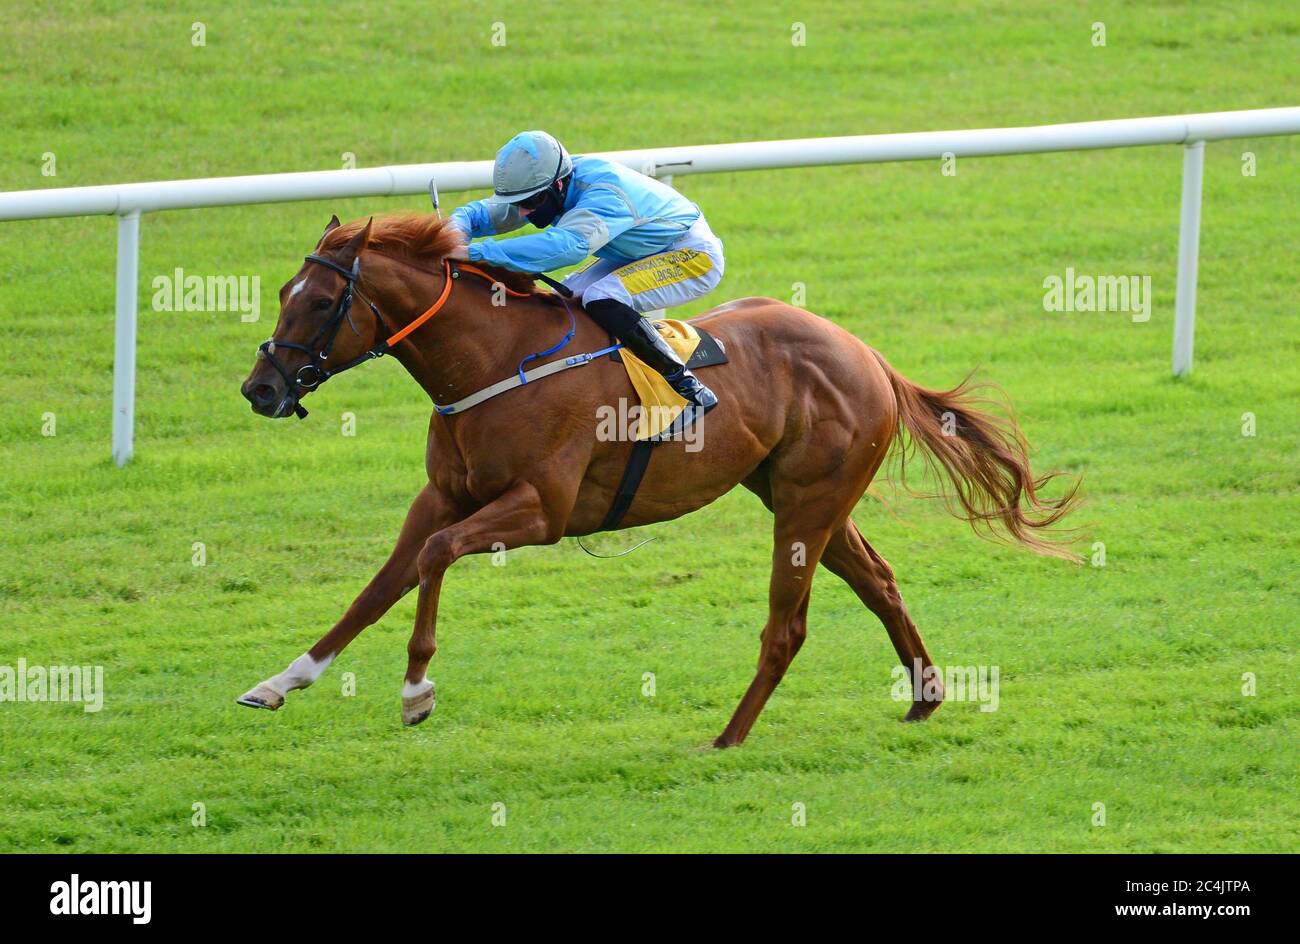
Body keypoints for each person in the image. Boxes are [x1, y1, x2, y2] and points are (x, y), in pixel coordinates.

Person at [448, 130, 723, 410]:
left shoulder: (605, 194)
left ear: (557, 185)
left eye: (529, 203)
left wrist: (475, 252)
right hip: (642, 249)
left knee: (601, 297)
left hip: (692, 255)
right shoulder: (549, 185)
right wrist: (452, 232)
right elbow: (480, 214)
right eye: (517, 203)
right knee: (568, 298)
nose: (521, 213)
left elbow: (567, 246)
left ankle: (686, 387)